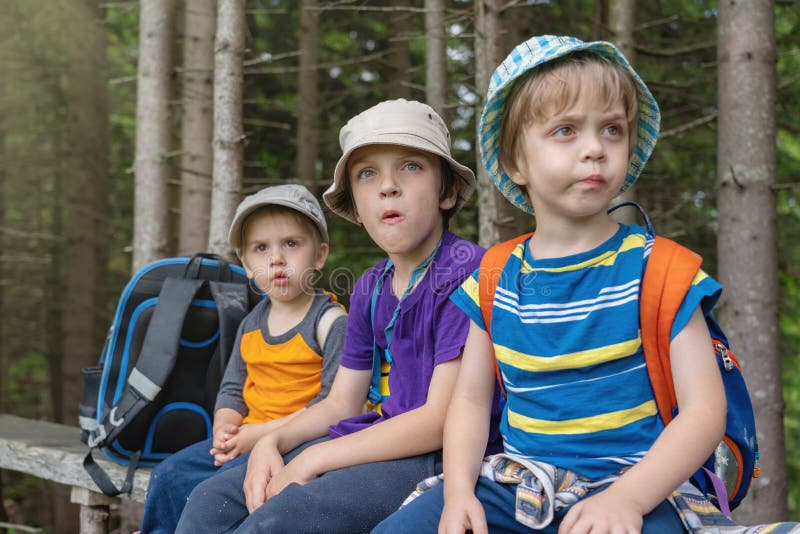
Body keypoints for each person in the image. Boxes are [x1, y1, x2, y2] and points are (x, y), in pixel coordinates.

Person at [373, 35, 727, 534]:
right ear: (516, 161)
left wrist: (627, 499)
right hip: (522, 485)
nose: (594, 149)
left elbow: (705, 411)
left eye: (612, 129)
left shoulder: (663, 270)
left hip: (643, 485)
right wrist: (457, 493)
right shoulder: (494, 275)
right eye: (565, 130)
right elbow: (471, 401)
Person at [174, 99, 499, 533]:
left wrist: (314, 457)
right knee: (210, 500)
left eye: (411, 166)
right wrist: (274, 439)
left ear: (447, 191)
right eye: (368, 174)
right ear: (356, 206)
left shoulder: (466, 271)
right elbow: (342, 402)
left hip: (441, 457)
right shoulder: (370, 287)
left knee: (281, 519)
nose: (387, 186)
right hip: (375, 437)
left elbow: (439, 419)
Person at [139, 184, 347, 534]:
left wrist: (259, 436)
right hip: (246, 437)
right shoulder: (252, 322)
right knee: (168, 475)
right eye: (261, 248)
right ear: (248, 265)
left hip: (298, 444)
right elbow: (234, 385)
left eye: (291, 244)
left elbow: (334, 403)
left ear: (320, 255)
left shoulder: (329, 322)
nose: (276, 259)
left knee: (212, 496)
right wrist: (225, 427)